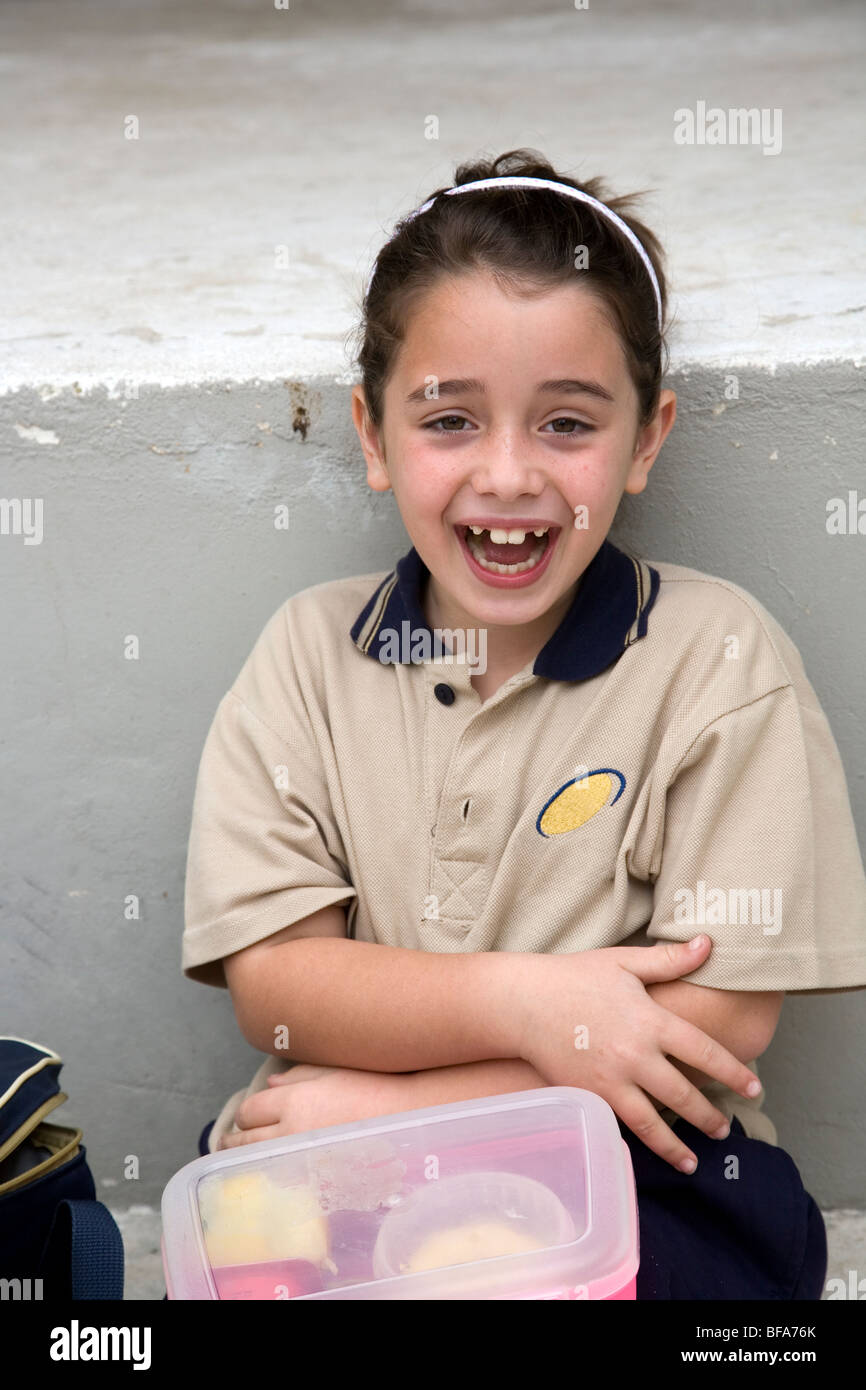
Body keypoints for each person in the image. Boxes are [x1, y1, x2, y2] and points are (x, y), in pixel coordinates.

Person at [182, 148, 866, 1299]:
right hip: (331, 1161)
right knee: (240, 1238)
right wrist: (528, 1002)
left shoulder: (717, 657)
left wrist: (399, 1105)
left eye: (565, 424)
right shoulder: (308, 654)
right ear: (369, 433)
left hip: (642, 1157)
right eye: (448, 420)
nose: (507, 474)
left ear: (645, 439)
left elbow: (714, 1026)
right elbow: (281, 989)